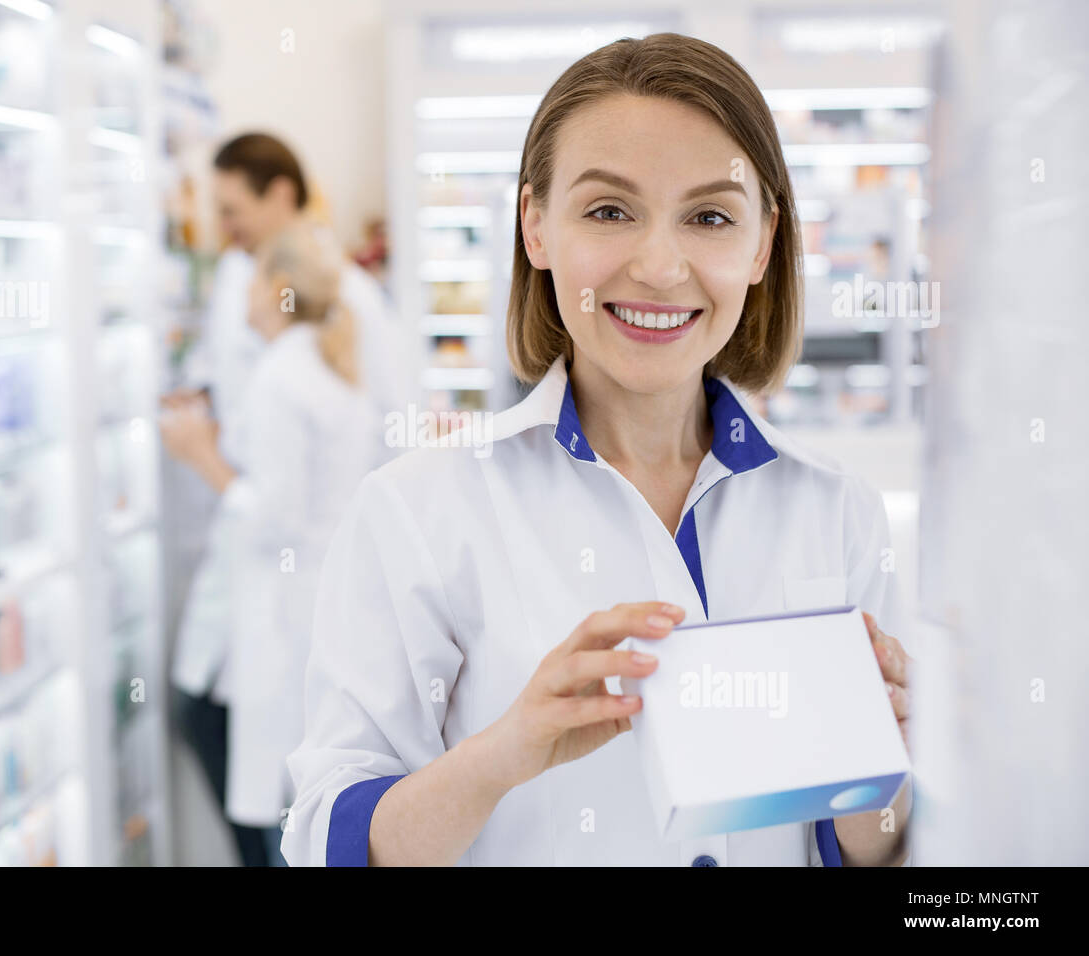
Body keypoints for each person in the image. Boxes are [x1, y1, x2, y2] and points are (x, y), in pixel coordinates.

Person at [282, 32, 915, 867]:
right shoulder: (419, 511)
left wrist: (886, 769)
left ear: (762, 246)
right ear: (536, 225)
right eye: (610, 211)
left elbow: (875, 850)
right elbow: (327, 837)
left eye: (710, 217)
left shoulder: (837, 510)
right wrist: (504, 751)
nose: (658, 266)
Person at [166, 134, 405, 865]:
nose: (225, 228)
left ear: (279, 195)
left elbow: (387, 437)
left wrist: (208, 459)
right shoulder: (281, 326)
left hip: (293, 572)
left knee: (278, 768)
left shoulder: (335, 318)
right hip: (265, 566)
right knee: (241, 740)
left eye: (234, 209)